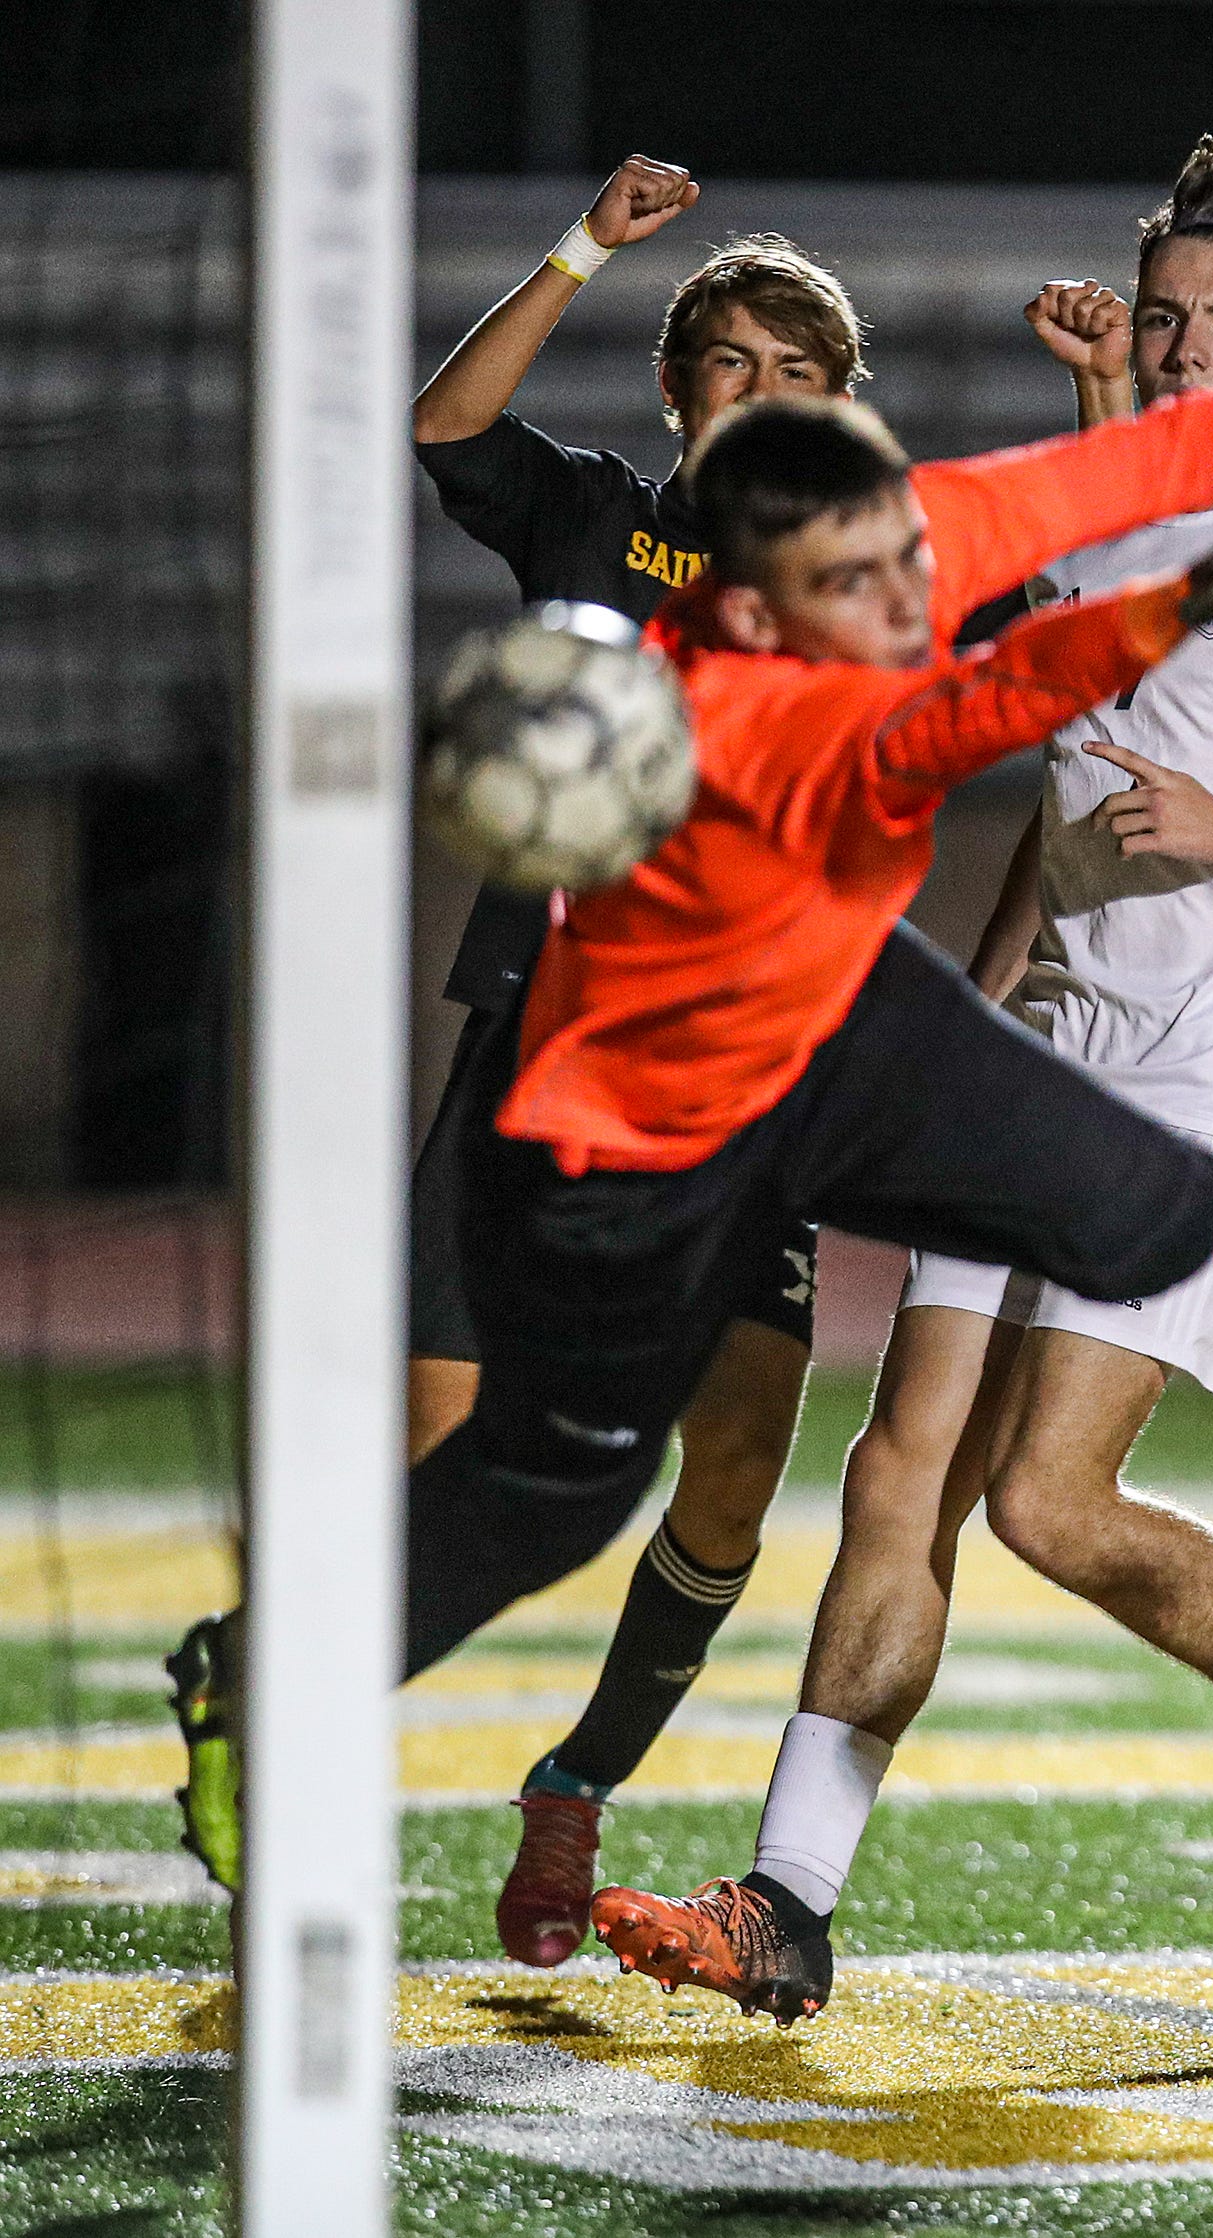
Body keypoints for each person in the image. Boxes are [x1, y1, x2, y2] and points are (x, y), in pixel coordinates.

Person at [473, 298, 1213, 2027]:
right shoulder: (1101, 534)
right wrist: (977, 1008)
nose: (1186, 347)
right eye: (1164, 318)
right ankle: (788, 1900)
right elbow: (1068, 797)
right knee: (901, 1471)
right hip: (1053, 1056)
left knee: (1048, 1502)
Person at [162, 159, 866, 1949]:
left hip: (737, 1086)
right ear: (678, 385)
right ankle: (279, 1715)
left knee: (732, 1459)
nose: (758, 389)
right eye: (729, 360)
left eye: (797, 368)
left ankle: (577, 1782)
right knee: (442, 1446)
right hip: (543, 1049)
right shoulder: (597, 521)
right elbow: (445, 421)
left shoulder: (867, 591)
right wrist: (584, 250)